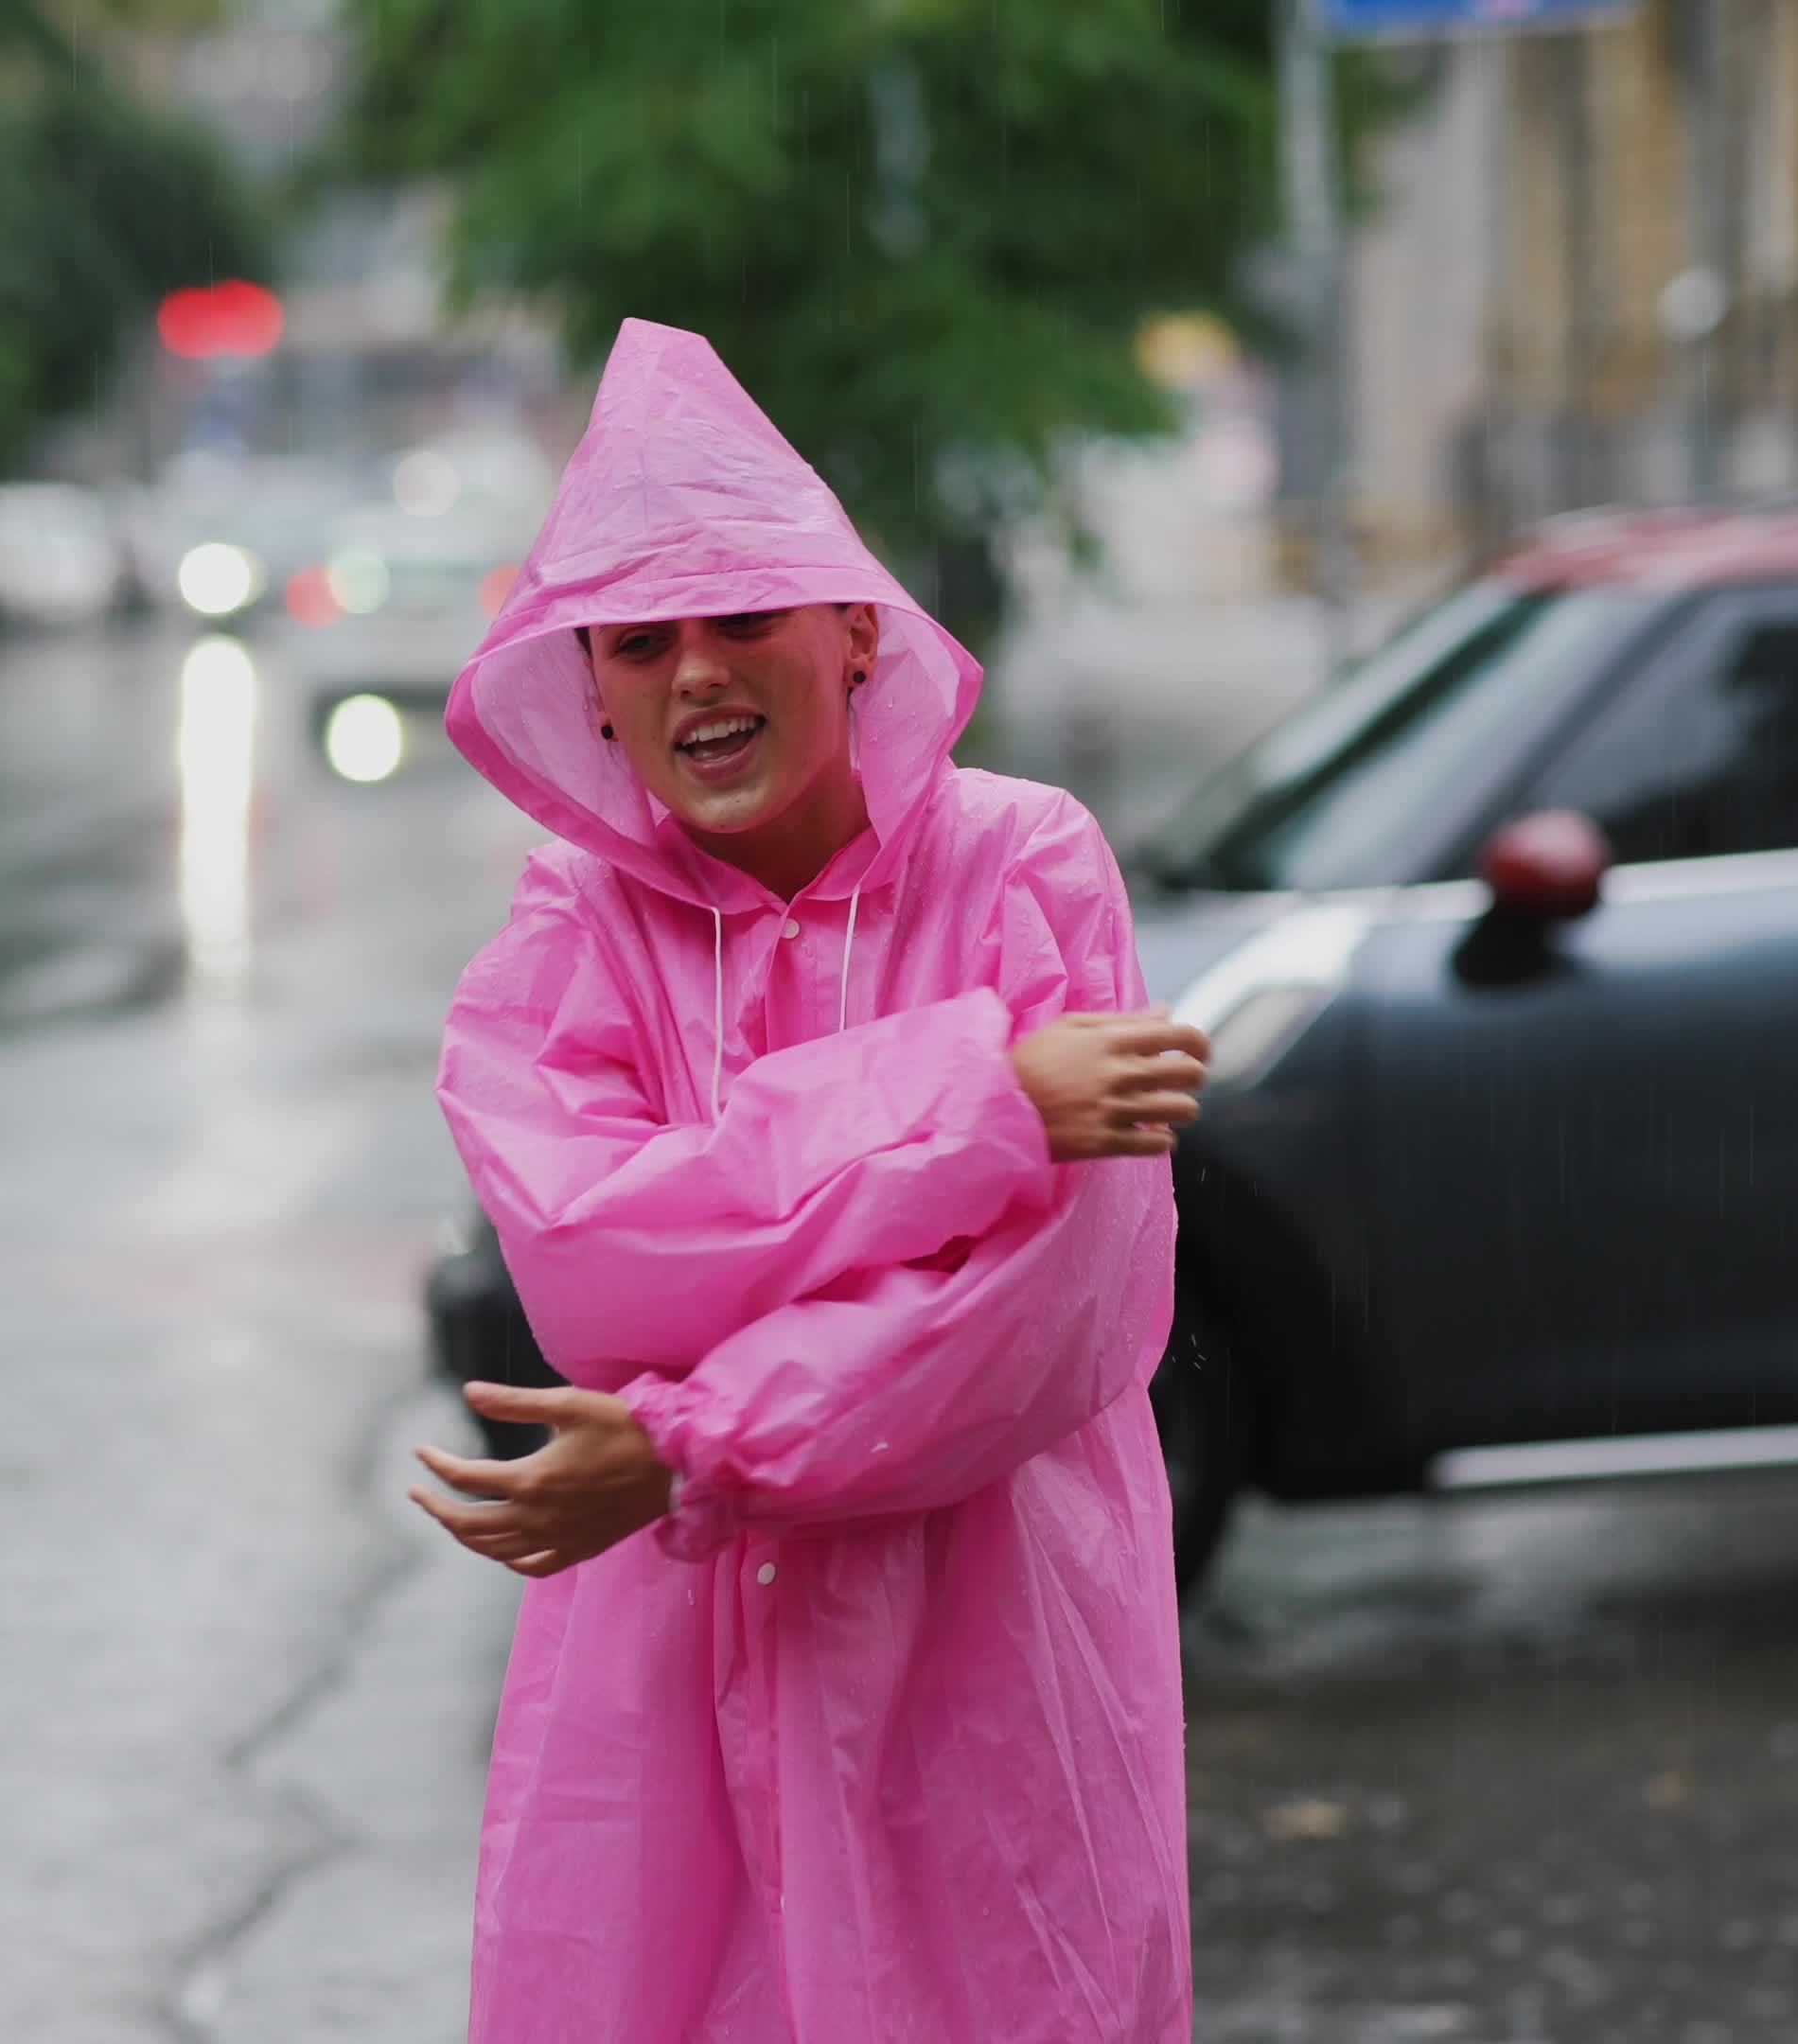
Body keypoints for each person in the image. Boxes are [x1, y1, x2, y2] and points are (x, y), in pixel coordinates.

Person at [417, 320, 1211, 2042]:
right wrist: (973, 1101)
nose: (696, 673)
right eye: (641, 641)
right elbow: (594, 1264)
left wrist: (696, 1440)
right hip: (662, 1688)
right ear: (593, 691)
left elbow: (1040, 1318)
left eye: (742, 617)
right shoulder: (572, 929)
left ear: (856, 631)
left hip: (994, 1661)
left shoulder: (1026, 863)